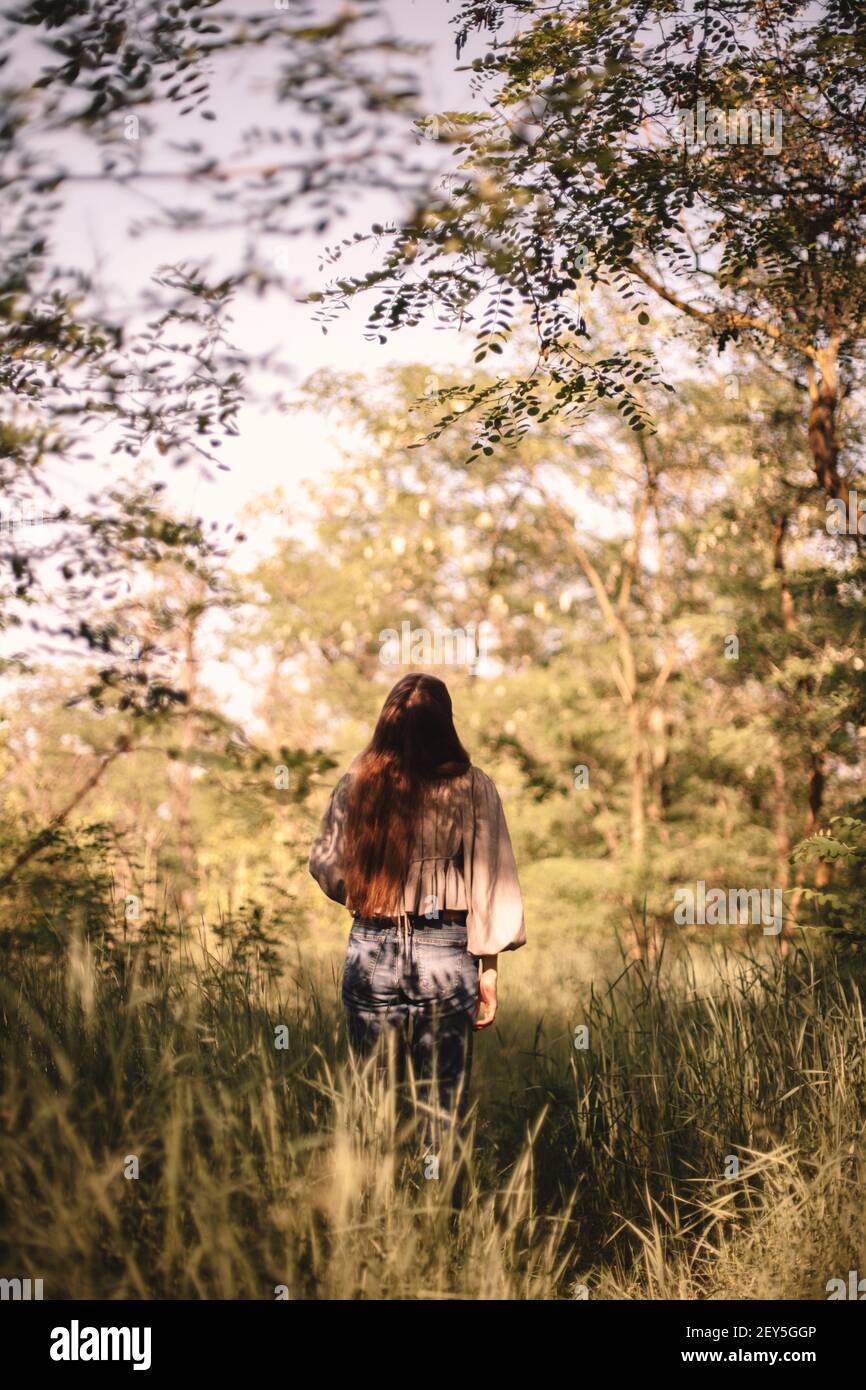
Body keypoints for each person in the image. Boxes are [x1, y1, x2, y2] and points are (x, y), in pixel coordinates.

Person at [308, 672, 526, 1146]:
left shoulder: (357, 783)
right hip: (445, 952)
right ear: (444, 724)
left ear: (386, 724)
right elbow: (491, 880)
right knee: (442, 1106)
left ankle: (373, 1207)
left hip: (371, 947)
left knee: (371, 1100)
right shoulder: (473, 786)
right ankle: (441, 1215)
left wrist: (369, 896)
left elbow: (325, 863)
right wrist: (488, 968)